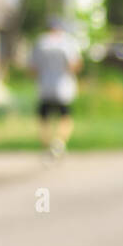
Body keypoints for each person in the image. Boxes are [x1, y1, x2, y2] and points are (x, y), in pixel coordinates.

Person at [28, 17, 82, 159]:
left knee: (44, 118)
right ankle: (58, 143)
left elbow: (32, 67)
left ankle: (47, 147)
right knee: (65, 117)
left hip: (44, 85)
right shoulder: (67, 42)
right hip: (63, 85)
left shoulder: (41, 42)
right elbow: (74, 64)